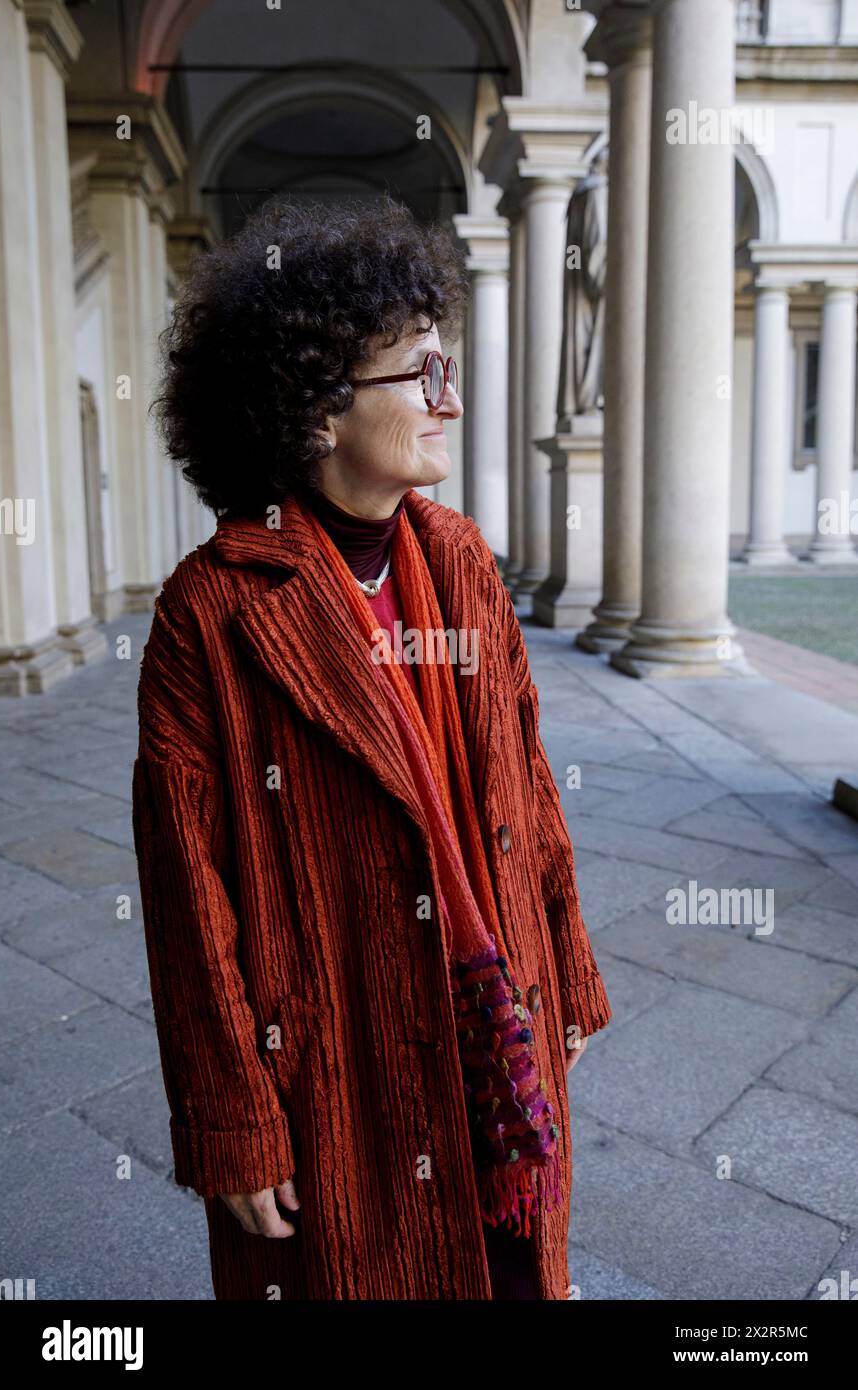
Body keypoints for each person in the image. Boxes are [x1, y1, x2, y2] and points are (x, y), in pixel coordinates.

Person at [134, 194, 612, 1301]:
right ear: (315, 412)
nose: (449, 401)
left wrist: (564, 960)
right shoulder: (210, 610)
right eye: (419, 376)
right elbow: (185, 893)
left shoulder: (460, 560)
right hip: (334, 1061)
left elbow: (525, 775)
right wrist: (233, 1118)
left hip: (493, 1029)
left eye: (448, 370)